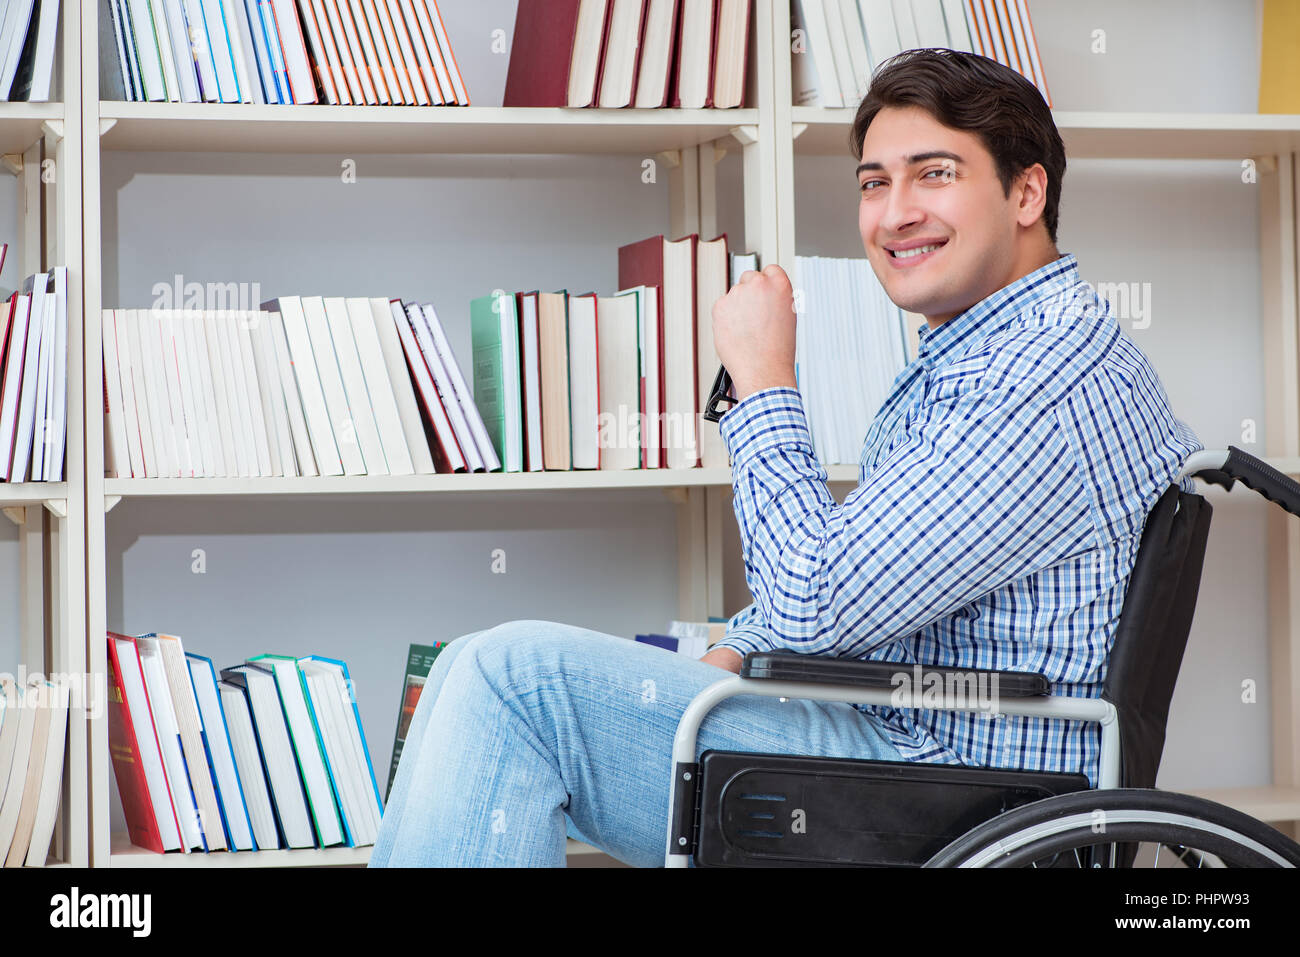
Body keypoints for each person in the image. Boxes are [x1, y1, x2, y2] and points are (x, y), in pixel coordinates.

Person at [369, 48, 1202, 868]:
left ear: (1028, 191)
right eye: (875, 182)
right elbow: (862, 583)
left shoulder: (1037, 379)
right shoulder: (1005, 353)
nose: (895, 212)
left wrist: (765, 379)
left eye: (935, 173)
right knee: (470, 670)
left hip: (950, 796)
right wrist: (737, 649)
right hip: (904, 749)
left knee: (508, 680)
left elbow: (815, 600)